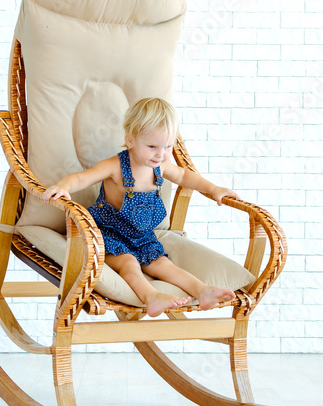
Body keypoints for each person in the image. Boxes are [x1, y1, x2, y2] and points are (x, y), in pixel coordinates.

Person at [42, 97, 239, 317]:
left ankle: (202, 291)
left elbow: (184, 175)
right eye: (152, 146)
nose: (161, 154)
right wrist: (63, 186)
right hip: (107, 234)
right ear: (130, 140)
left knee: (163, 264)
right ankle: (151, 296)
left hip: (142, 237)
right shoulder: (115, 166)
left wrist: (213, 189)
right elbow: (80, 178)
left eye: (167, 146)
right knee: (128, 262)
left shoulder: (161, 166)